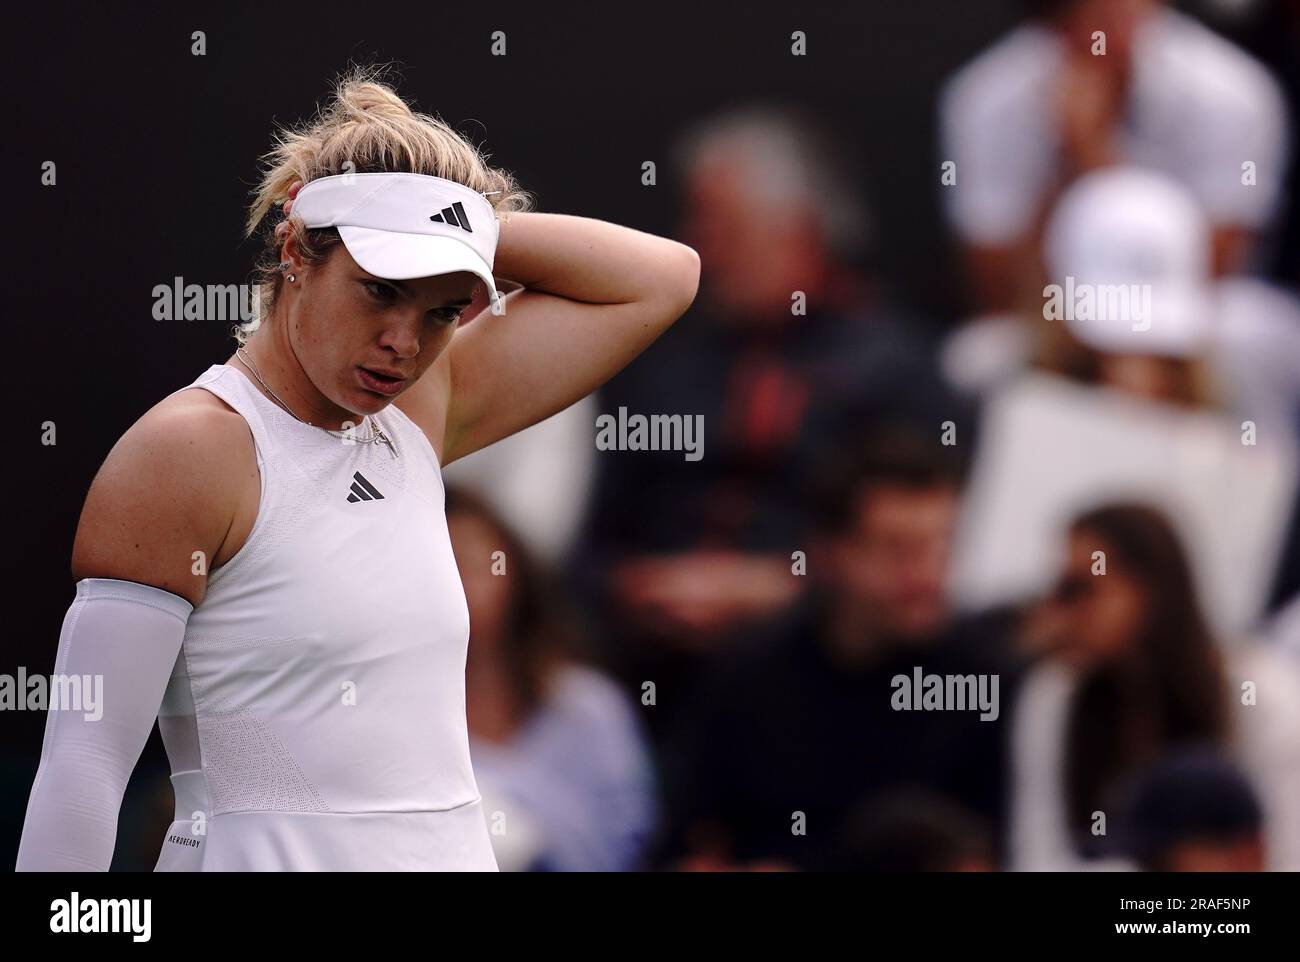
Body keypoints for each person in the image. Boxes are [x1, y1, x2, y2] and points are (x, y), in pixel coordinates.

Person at [15, 68, 699, 871]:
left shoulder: (413, 413)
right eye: (380, 290)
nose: (404, 344)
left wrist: (450, 227)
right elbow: (83, 766)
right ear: (295, 246)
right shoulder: (192, 450)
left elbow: (664, 278)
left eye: (442, 309)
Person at [658, 432, 1011, 871]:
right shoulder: (750, 675)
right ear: (829, 553)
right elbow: (683, 835)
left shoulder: (985, 684)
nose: (928, 575)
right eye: (899, 550)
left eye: (942, 546)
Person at [939, 0, 1289, 316]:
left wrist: (1095, 155)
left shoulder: (1232, 93)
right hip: (1054, 319)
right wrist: (1068, 160)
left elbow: (1212, 271)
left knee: (1250, 322)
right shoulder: (984, 97)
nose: (1103, 30)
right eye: (1081, 14)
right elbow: (998, 293)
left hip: (1196, 324)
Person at [1009, 503, 1300, 870]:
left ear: (1150, 586)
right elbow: (1040, 856)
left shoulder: (1264, 696)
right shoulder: (1054, 695)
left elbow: (1285, 854)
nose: (1058, 613)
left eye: (1079, 588)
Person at [446, 487, 657, 871]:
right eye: (441, 570)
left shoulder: (589, 707)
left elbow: (630, 839)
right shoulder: (390, 717)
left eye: (473, 567)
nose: (459, 590)